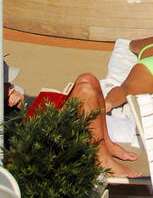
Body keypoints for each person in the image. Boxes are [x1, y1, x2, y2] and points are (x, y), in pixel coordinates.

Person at [4, 68, 141, 179]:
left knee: (88, 79)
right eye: (6, 84)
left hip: (35, 129)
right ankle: (101, 159)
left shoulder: (8, 96)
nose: (10, 86)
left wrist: (21, 104)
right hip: (28, 147)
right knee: (85, 92)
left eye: (9, 84)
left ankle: (107, 143)